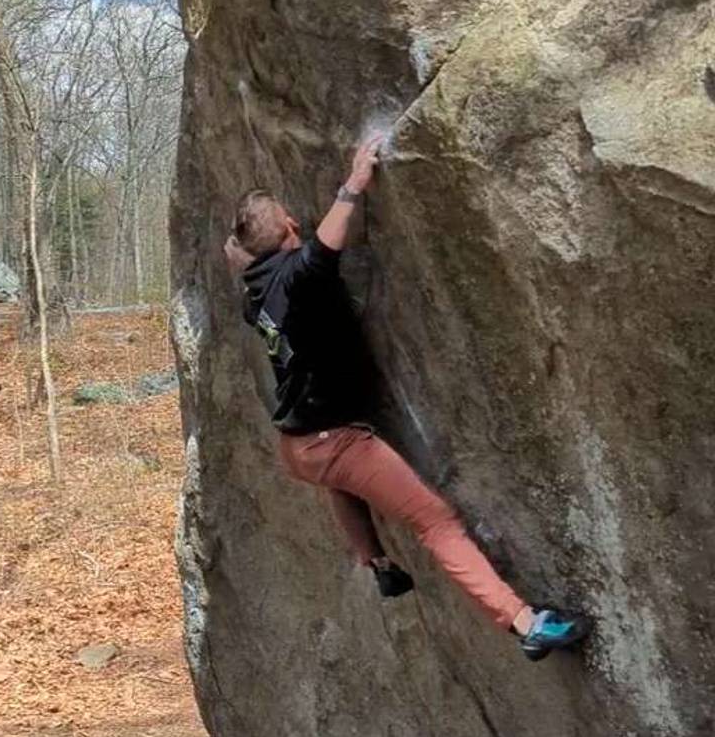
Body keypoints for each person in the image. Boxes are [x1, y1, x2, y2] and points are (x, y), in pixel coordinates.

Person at [223, 135, 589, 662]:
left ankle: (377, 563)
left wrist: (248, 243)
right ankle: (525, 622)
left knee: (339, 484)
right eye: (289, 220)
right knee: (434, 520)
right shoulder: (298, 276)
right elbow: (323, 251)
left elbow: (251, 249)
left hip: (300, 446)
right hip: (336, 440)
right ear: (291, 230)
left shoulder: (253, 291)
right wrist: (354, 182)